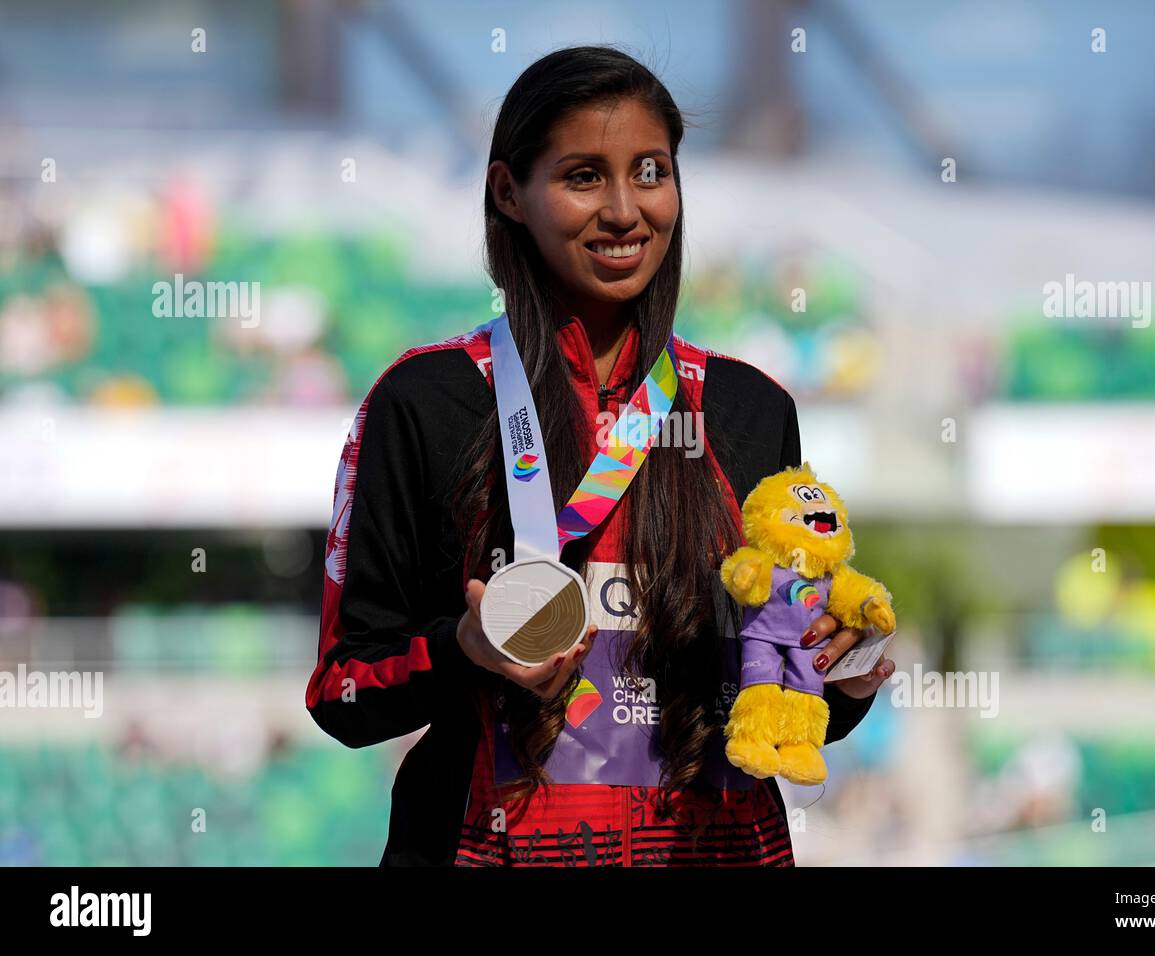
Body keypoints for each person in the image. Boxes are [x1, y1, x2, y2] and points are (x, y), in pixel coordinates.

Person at [306, 45, 895, 866]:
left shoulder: (750, 409)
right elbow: (343, 691)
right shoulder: (429, 402)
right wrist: (467, 652)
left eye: (650, 171)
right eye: (584, 176)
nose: (625, 210)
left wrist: (843, 672)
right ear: (509, 192)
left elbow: (777, 686)